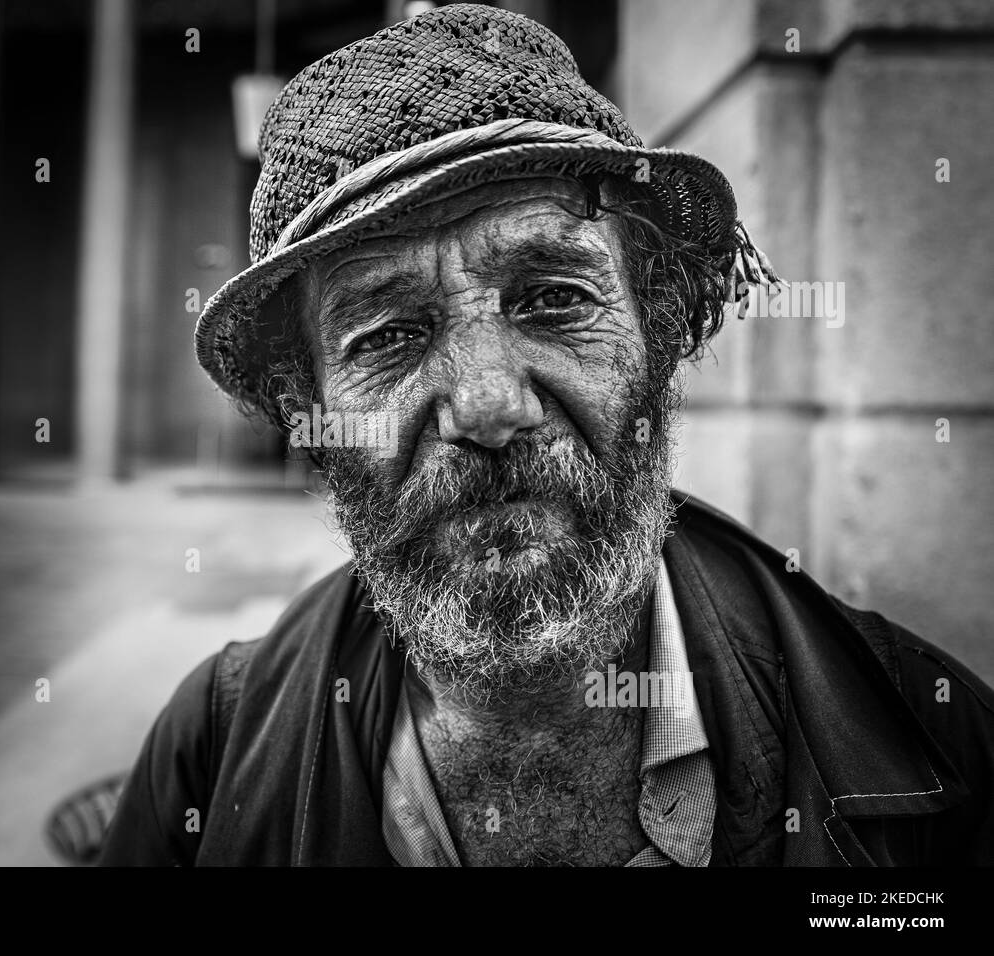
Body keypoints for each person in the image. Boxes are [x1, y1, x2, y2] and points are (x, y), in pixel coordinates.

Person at [100, 3, 994, 866]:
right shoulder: (212, 750)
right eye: (388, 336)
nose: (489, 408)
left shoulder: (943, 746)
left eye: (555, 299)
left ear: (664, 327)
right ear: (310, 411)